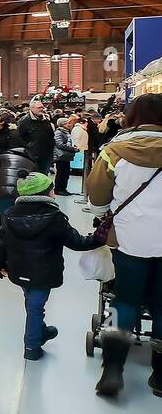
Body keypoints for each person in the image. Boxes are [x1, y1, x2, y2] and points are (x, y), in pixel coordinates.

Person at [85, 93, 162, 398]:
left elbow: (97, 200)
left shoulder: (113, 152)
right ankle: (160, 375)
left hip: (130, 242)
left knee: (124, 303)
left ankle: (113, 368)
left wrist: (105, 213)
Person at [0, 172, 103, 361]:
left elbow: (0, 243)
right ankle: (32, 347)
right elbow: (77, 243)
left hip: (18, 270)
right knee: (36, 307)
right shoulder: (55, 218)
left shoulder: (9, 215)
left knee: (32, 302)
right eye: (52, 189)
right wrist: (101, 236)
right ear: (45, 194)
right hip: (43, 273)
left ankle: (41, 331)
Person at [0, 134, 37, 221]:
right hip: (21, 194)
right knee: (19, 221)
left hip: (1, 192)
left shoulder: (1, 157)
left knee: (4, 221)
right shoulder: (31, 162)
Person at [17, 98, 55, 174]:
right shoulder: (24, 121)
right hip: (32, 155)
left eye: (42, 107)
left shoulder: (46, 120)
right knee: (33, 177)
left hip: (46, 155)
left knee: (43, 178)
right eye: (39, 108)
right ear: (32, 108)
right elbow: (20, 138)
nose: (41, 109)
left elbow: (51, 136)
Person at [52, 118, 76, 196]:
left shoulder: (66, 132)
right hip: (61, 156)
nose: (68, 125)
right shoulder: (58, 132)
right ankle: (58, 189)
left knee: (65, 173)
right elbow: (59, 144)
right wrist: (72, 148)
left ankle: (63, 188)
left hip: (65, 156)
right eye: (66, 123)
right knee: (61, 172)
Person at [70, 115, 90, 193]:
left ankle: (77, 170)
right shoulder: (78, 129)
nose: (87, 124)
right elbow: (76, 139)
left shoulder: (81, 129)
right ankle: (76, 171)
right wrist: (77, 147)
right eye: (86, 123)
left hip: (82, 148)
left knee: (79, 161)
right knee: (77, 161)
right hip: (80, 148)